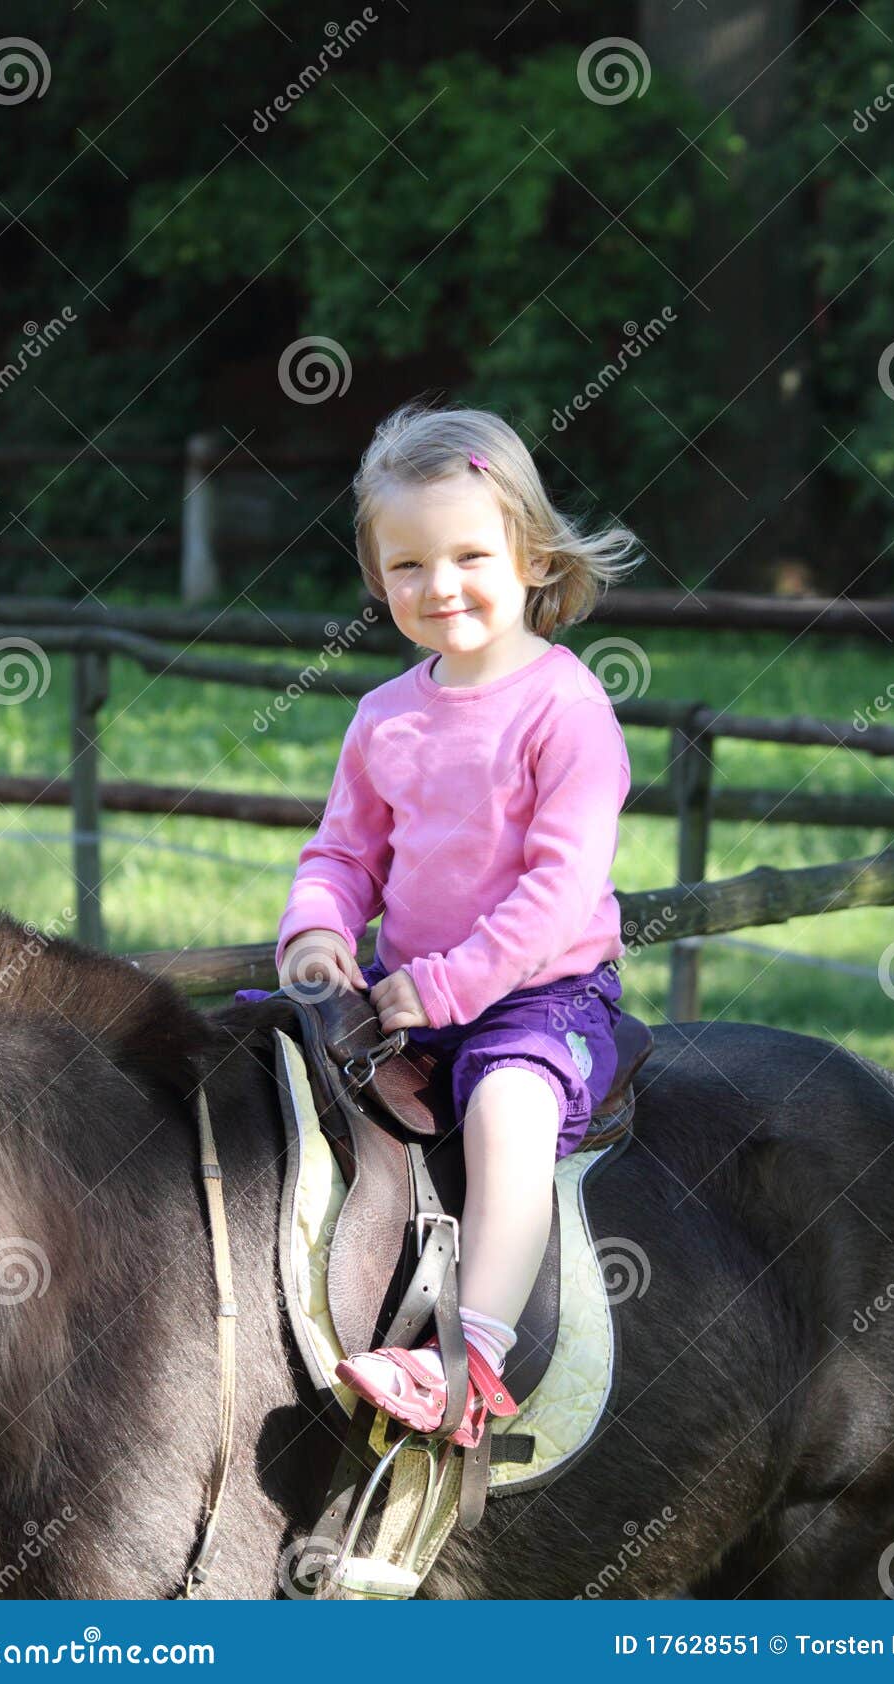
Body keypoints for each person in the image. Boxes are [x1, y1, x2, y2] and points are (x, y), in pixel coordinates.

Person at [276, 399, 644, 1447]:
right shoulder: (384, 715)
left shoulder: (564, 711)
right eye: (406, 567)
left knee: (505, 1115)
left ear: (529, 554)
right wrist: (316, 928)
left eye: (469, 555)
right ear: (375, 575)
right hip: (405, 993)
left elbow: (559, 891)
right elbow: (343, 853)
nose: (438, 587)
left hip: (540, 994)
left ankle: (468, 1357)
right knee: (260, 1062)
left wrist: (445, 986)